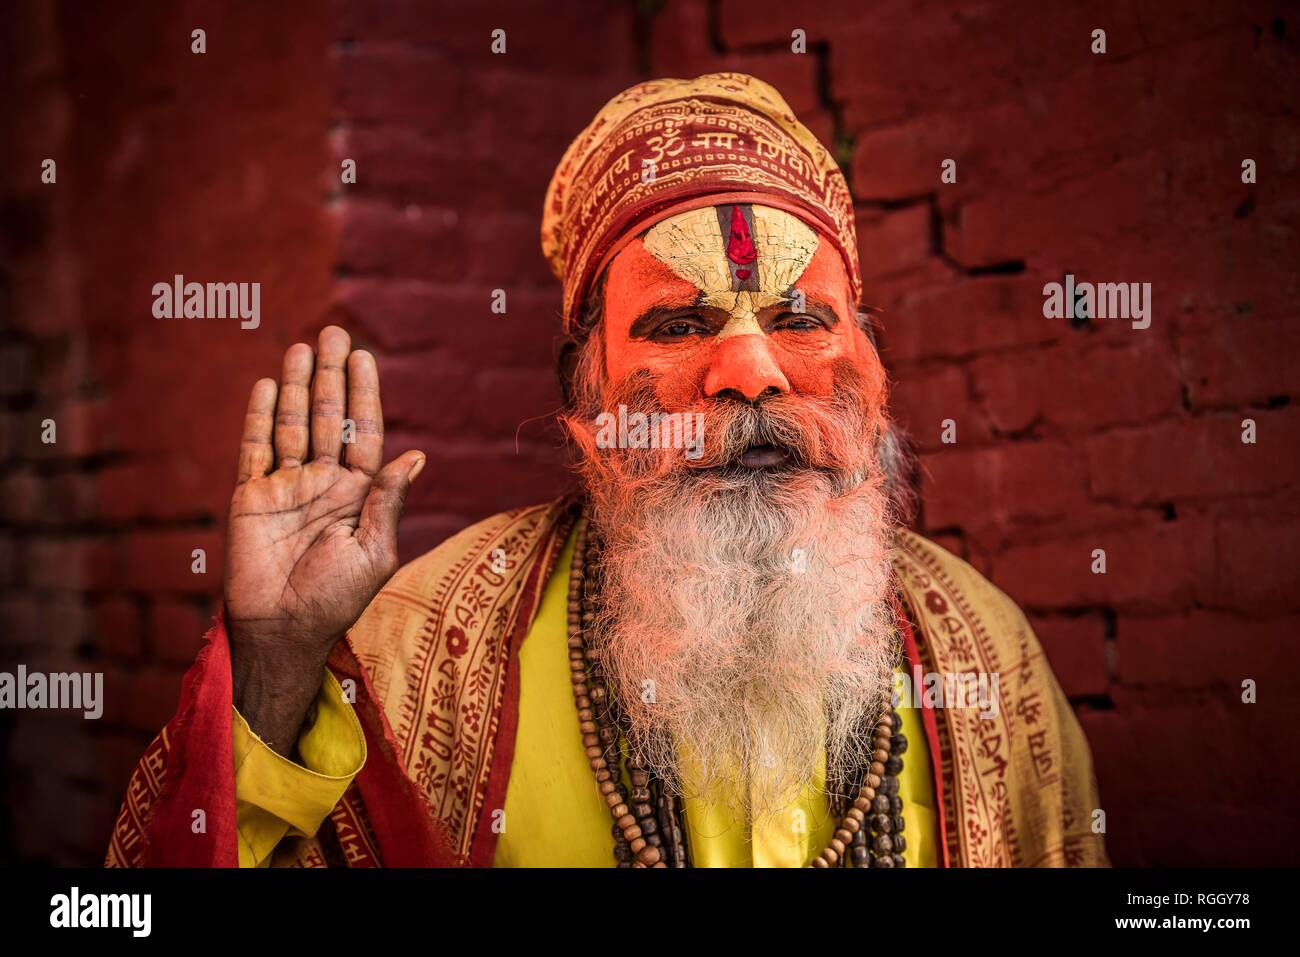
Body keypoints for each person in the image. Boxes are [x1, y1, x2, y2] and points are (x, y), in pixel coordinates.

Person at [106, 73, 1107, 869]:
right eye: (678, 326)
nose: (752, 373)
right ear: (587, 413)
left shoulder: (982, 654)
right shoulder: (422, 646)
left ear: (874, 378)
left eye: (801, 320)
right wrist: (277, 665)